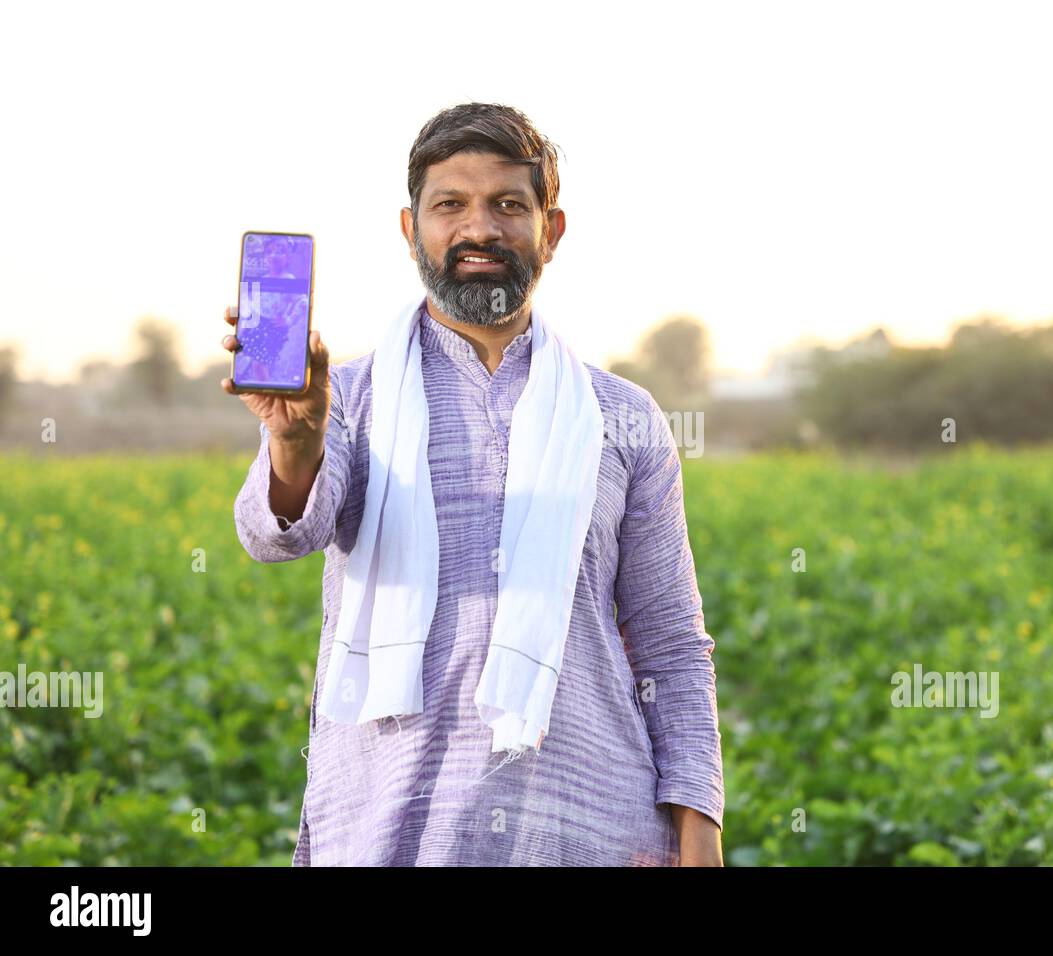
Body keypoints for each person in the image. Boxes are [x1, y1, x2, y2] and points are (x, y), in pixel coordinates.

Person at [220, 102, 724, 866]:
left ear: (551, 231)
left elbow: (671, 642)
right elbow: (274, 535)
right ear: (409, 228)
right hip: (387, 820)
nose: (479, 229)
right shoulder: (348, 399)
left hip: (585, 821)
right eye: (449, 205)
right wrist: (295, 439)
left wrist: (700, 832)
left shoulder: (620, 417)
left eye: (508, 206)